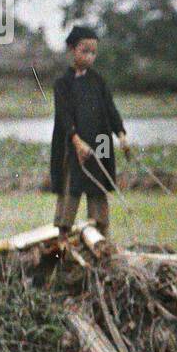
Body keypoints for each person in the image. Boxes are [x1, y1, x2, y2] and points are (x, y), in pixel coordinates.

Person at [50, 24, 129, 241]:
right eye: (85, 51)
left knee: (98, 186)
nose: (90, 57)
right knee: (70, 189)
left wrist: (121, 133)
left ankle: (101, 237)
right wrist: (76, 141)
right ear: (72, 50)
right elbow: (64, 116)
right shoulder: (62, 84)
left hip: (101, 140)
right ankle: (63, 237)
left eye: (93, 52)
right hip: (74, 143)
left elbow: (110, 109)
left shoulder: (98, 81)